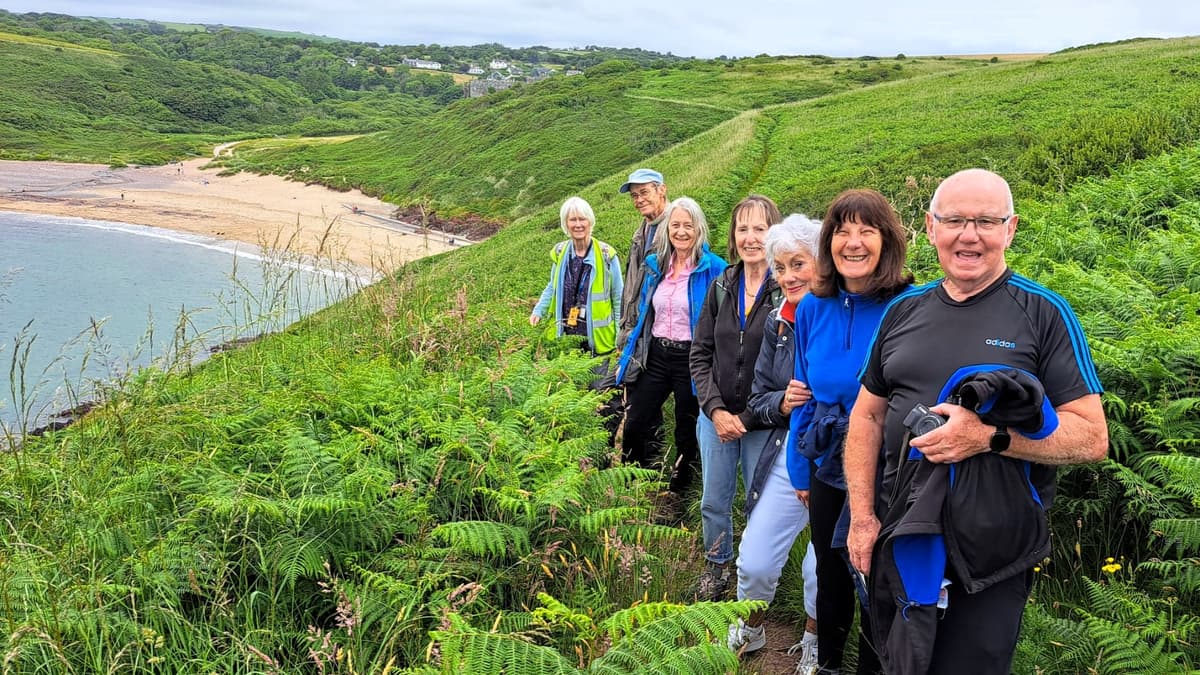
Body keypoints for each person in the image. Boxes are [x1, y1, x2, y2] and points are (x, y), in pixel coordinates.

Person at [844, 169, 1108, 674]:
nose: (970, 235)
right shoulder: (902, 310)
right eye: (956, 220)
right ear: (930, 226)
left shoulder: (1043, 312)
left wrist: (989, 439)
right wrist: (862, 520)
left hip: (992, 549)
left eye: (986, 221)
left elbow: (1092, 437)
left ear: (1010, 229)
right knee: (888, 661)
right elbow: (867, 417)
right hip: (899, 531)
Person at [791, 189, 913, 675]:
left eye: (867, 230)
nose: (853, 242)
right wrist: (800, 469)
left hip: (887, 463)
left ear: (887, 241)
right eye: (842, 230)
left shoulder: (909, 305)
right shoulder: (811, 308)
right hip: (826, 460)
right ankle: (828, 665)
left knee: (876, 575)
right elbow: (803, 392)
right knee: (829, 569)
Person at [726, 214, 822, 671]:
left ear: (822, 263)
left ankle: (814, 639)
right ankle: (753, 626)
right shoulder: (776, 323)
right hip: (789, 451)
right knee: (756, 560)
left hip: (839, 461)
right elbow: (759, 397)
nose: (788, 277)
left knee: (820, 570)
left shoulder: (849, 318)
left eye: (798, 264)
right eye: (779, 268)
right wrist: (782, 404)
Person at [688, 195, 785, 600]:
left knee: (758, 502)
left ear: (773, 234)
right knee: (714, 498)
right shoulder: (720, 286)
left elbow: (795, 364)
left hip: (763, 420)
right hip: (717, 418)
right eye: (742, 229)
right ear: (733, 236)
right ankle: (717, 565)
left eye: (759, 228)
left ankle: (753, 569)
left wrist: (746, 417)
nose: (750, 238)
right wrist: (714, 409)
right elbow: (701, 354)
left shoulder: (787, 292)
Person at [616, 197, 726, 499]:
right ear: (666, 230)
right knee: (636, 419)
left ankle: (679, 491)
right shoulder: (656, 266)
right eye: (675, 225)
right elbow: (641, 311)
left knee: (686, 427)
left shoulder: (715, 268)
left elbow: (726, 317)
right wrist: (627, 349)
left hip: (692, 357)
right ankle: (633, 480)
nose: (680, 231)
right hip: (658, 355)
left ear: (699, 229)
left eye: (687, 225)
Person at [530, 197, 624, 356]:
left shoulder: (607, 255)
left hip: (599, 340)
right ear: (566, 224)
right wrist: (538, 311)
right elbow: (552, 287)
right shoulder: (560, 252)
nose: (578, 224)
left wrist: (620, 337)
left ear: (590, 222)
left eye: (582, 219)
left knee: (597, 380)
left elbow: (619, 297)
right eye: (573, 220)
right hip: (566, 335)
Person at [617, 168, 669, 348]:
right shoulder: (640, 234)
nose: (639, 200)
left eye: (644, 192)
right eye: (634, 195)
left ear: (661, 190)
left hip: (659, 334)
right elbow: (631, 286)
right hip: (636, 330)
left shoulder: (676, 232)